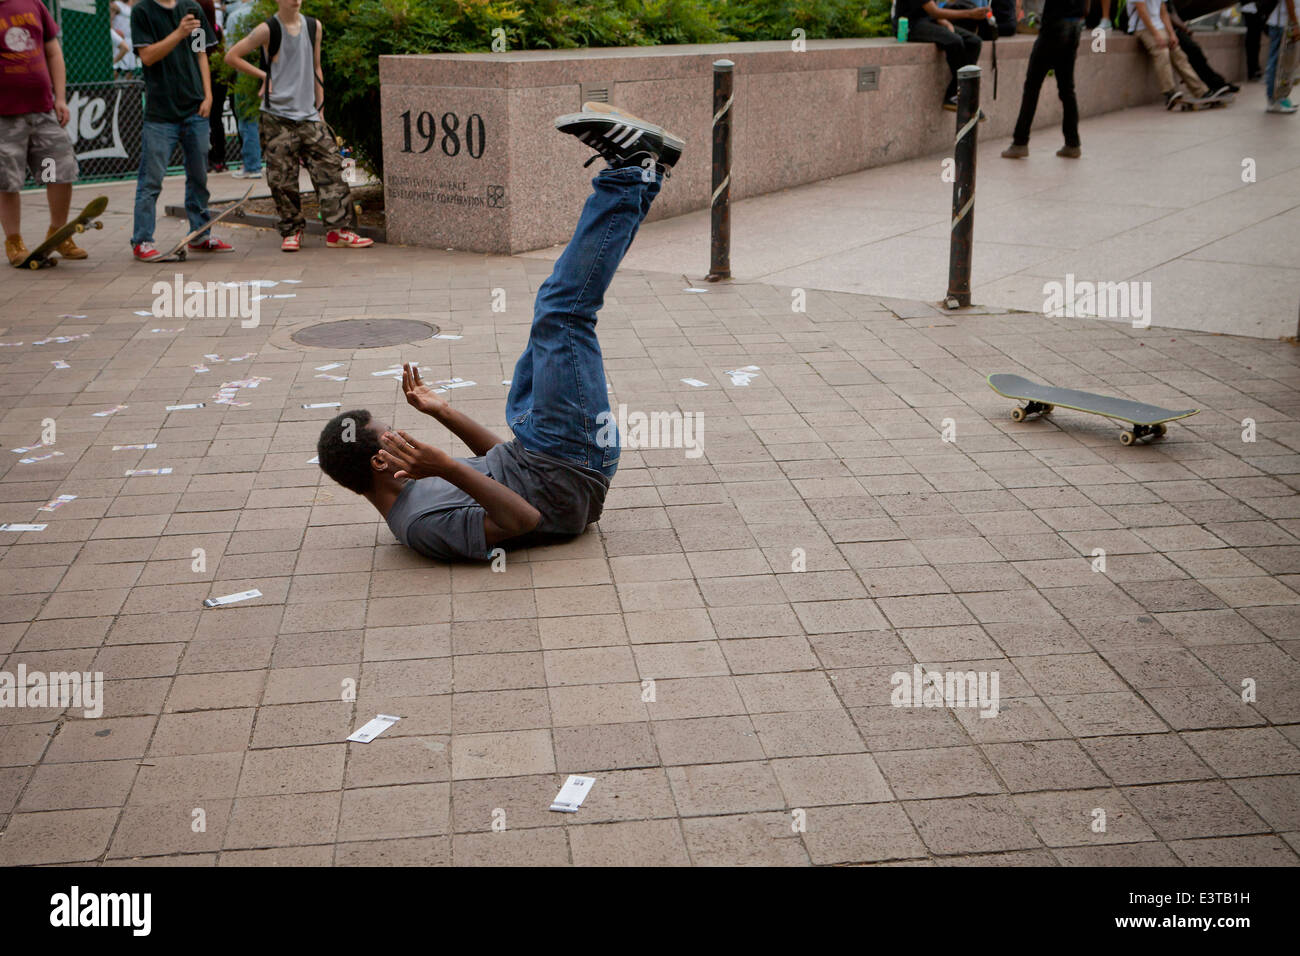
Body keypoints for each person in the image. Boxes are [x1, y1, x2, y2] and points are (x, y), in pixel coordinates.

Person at [314, 105, 684, 561]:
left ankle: (647, 169)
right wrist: (446, 466)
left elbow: (497, 465)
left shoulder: (413, 483)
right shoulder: (419, 525)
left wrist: (443, 413)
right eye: (393, 435)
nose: (403, 435)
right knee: (562, 312)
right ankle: (631, 170)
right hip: (565, 467)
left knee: (549, 317)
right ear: (379, 461)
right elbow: (522, 520)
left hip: (545, 458)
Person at [224, 0, 371, 250]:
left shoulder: (314, 26)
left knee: (332, 170)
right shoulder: (268, 29)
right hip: (277, 116)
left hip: (309, 115)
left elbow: (316, 67)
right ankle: (292, 231)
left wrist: (320, 107)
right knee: (282, 178)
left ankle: (339, 231)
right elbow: (232, 56)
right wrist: (264, 75)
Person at [129, 0, 233, 260]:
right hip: (161, 114)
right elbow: (148, 56)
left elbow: (200, 54)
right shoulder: (143, 11)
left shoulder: (192, 9)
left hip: (195, 109)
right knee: (151, 180)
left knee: (199, 176)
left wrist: (208, 95)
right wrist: (178, 33)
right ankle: (142, 240)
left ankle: (200, 234)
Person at [0, 0, 85, 266]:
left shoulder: (33, 4)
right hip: (5, 115)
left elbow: (53, 52)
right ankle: (14, 241)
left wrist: (60, 98)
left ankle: (58, 233)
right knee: (8, 180)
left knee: (57, 169)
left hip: (42, 110)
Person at [1001, 0, 1086, 158]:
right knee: (1067, 89)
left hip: (1054, 27)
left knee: (1032, 87)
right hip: (1074, 25)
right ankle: (1072, 142)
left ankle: (1020, 142)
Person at [897, 0, 987, 110]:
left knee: (974, 42)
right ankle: (963, 93)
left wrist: (944, 21)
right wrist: (970, 13)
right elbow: (934, 11)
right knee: (954, 41)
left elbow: (933, 11)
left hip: (930, 21)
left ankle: (956, 92)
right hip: (911, 25)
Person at [1128, 0, 1210, 108]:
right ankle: (1169, 92)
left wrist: (1172, 34)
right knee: (1162, 52)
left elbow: (1164, 13)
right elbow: (1142, 12)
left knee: (1179, 55)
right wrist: (1156, 34)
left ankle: (1201, 91)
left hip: (1160, 28)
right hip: (1143, 28)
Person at [1168, 4, 1238, 98]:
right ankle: (1211, 85)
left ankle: (1216, 83)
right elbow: (1168, 15)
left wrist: (1183, 28)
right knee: (1192, 53)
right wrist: (1184, 28)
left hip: (1173, 30)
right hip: (1167, 31)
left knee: (1196, 52)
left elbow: (1171, 13)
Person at [223, 0, 261, 177]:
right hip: (271, 69)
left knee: (247, 118)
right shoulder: (266, 13)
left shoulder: (235, 16)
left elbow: (230, 51)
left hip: (245, 70)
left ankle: (252, 165)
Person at [1264, 0, 1299, 112]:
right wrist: (1294, 23)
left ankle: (1281, 97)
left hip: (1285, 23)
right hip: (1283, 24)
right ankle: (1275, 100)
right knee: (1278, 63)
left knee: (1285, 63)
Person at [110, 0, 137, 73]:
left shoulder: (130, 6)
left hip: (129, 39)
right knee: (117, 67)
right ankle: (112, 84)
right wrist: (114, 32)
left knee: (130, 68)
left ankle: (129, 84)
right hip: (119, 39)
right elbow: (110, 19)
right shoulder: (116, 5)